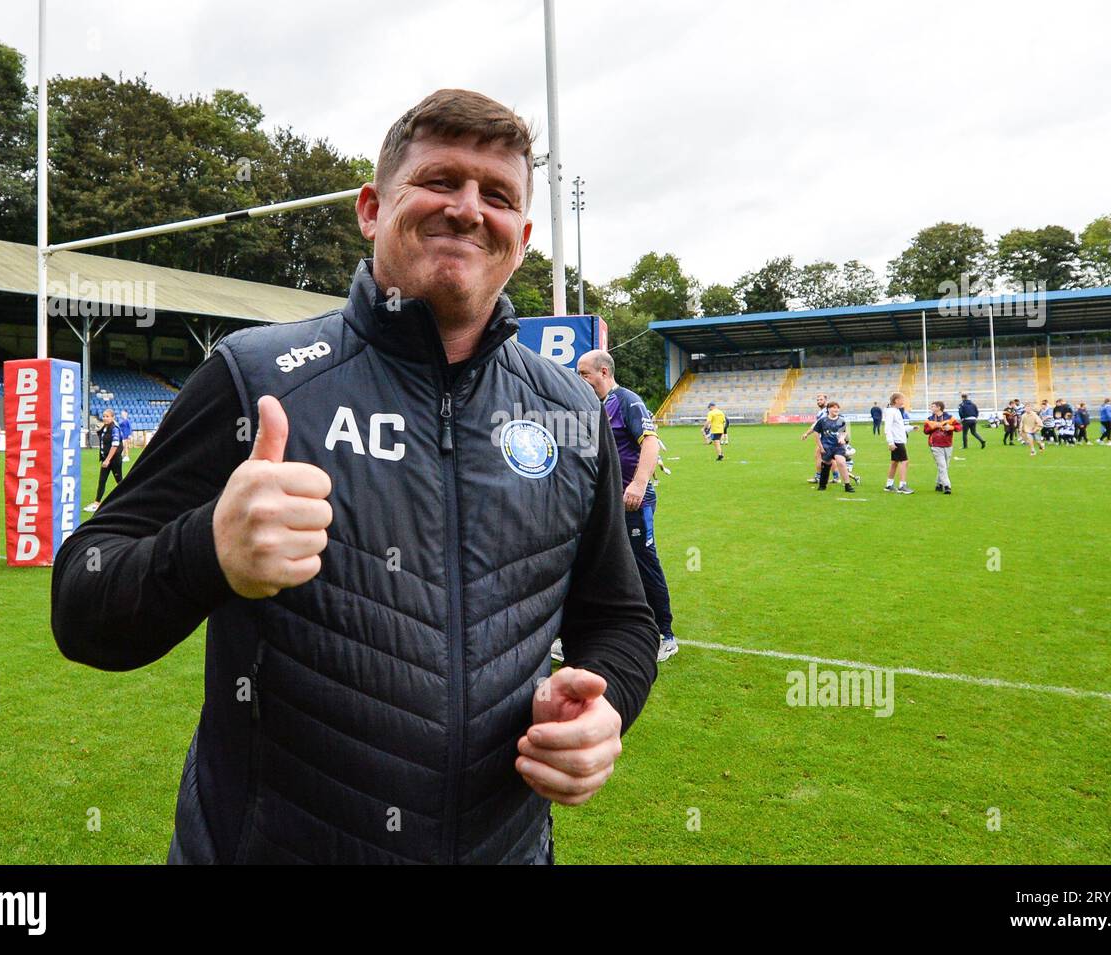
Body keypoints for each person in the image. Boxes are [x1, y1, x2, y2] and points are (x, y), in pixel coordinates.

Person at [51, 89, 658, 866]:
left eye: (498, 195)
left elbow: (621, 617)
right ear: (372, 208)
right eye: (440, 181)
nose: (469, 210)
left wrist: (606, 704)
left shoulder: (569, 409)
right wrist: (207, 550)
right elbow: (83, 599)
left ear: (523, 235)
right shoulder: (257, 377)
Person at [578, 349, 677, 662]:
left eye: (584, 374)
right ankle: (590, 630)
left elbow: (649, 442)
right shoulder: (592, 405)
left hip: (633, 500)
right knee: (594, 561)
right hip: (603, 500)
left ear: (604, 372)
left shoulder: (627, 400)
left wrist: (638, 483)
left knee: (642, 561)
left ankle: (665, 634)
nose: (580, 379)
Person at [810, 400, 855, 493]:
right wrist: (821, 447)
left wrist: (842, 438)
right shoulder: (822, 421)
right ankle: (822, 485)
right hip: (826, 446)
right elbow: (816, 433)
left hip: (838, 447)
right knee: (826, 465)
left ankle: (847, 485)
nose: (836, 409)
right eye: (834, 407)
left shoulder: (841, 421)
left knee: (841, 462)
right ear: (828, 409)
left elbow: (843, 432)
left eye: (837, 407)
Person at [85, 409, 123, 512]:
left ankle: (127, 498)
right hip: (106, 459)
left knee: (119, 480)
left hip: (114, 460)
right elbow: (100, 434)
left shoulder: (115, 429)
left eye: (107, 416)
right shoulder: (105, 427)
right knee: (102, 480)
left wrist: (107, 460)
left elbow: (115, 445)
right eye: (104, 416)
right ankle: (97, 502)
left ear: (112, 417)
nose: (105, 418)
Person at [922, 400, 960, 494]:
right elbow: (925, 431)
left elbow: (959, 427)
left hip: (948, 444)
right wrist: (934, 426)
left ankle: (939, 484)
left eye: (933, 406)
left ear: (939, 407)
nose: (931, 408)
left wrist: (951, 427)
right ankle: (947, 486)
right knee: (942, 466)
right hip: (935, 445)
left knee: (945, 466)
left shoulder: (950, 418)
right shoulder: (930, 419)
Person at [882, 392, 915, 494]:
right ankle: (902, 485)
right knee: (904, 462)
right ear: (896, 400)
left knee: (894, 462)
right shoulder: (891, 412)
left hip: (898, 440)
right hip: (897, 441)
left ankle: (889, 484)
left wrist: (911, 428)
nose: (903, 401)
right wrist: (890, 442)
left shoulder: (896, 411)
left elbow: (899, 427)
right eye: (902, 399)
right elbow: (887, 428)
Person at [801, 394, 829, 483]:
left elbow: (816, 426)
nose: (819, 401)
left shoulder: (826, 411)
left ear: (825, 400)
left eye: (821, 400)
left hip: (826, 438)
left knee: (818, 456)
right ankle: (836, 477)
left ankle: (818, 477)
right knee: (831, 458)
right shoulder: (821, 412)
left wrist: (806, 434)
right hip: (828, 437)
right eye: (817, 400)